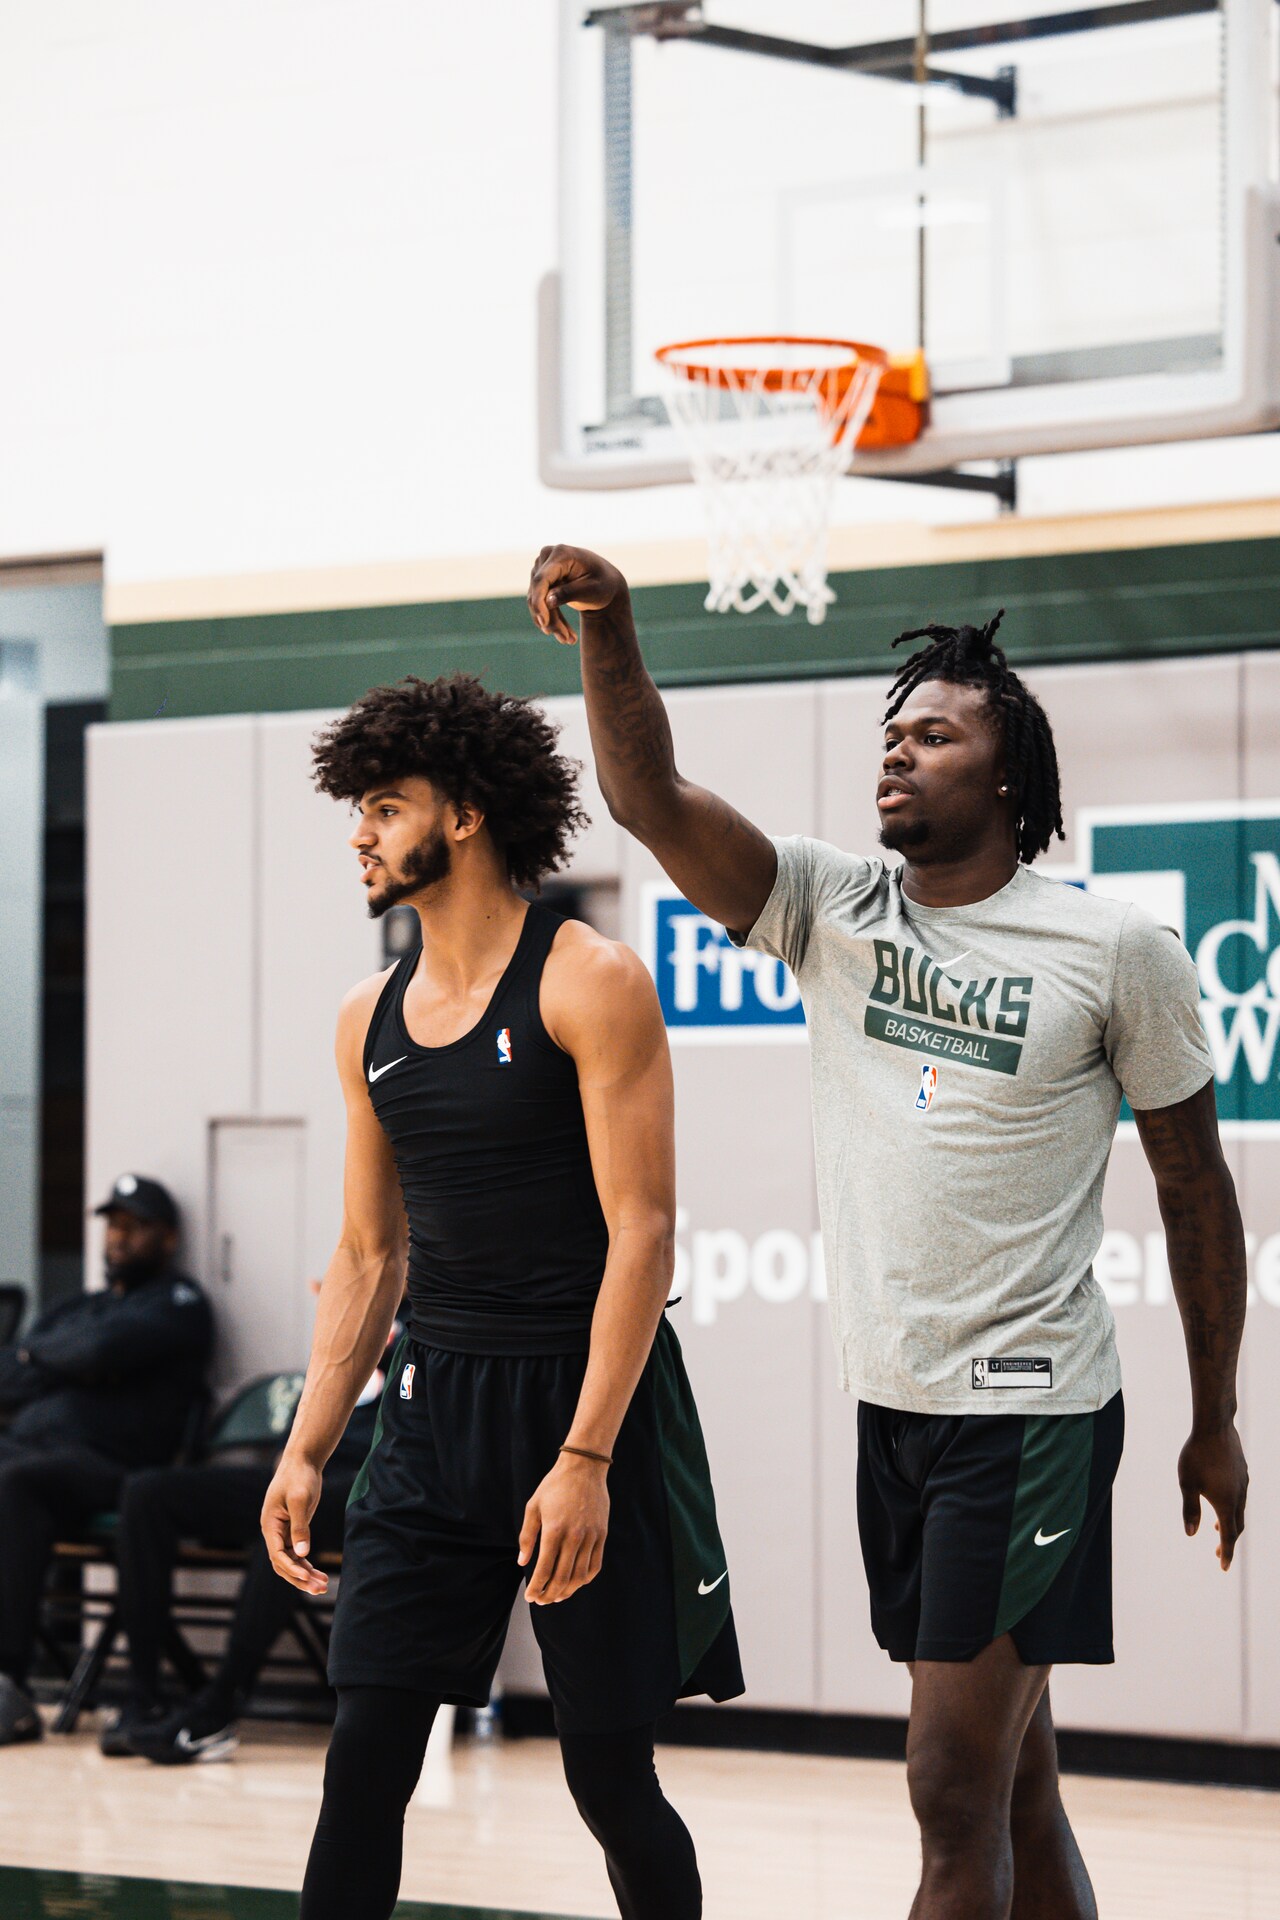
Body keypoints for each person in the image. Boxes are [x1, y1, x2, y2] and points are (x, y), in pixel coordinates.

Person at [526, 546, 1250, 1920]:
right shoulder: (830, 908)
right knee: (1016, 1788)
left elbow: (1199, 1199)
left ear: (1008, 779)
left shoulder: (1115, 955)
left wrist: (1213, 1416)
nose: (896, 758)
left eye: (934, 735)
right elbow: (644, 795)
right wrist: (612, 630)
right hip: (897, 1406)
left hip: (1030, 1415)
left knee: (947, 1790)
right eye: (890, 737)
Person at [260, 672, 742, 1920]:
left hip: (583, 1407)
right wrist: (309, 1447)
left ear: (462, 816)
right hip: (431, 1412)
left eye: (381, 805)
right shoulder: (366, 1019)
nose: (358, 834)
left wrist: (583, 1455)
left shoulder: (590, 980)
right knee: (363, 1758)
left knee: (607, 1779)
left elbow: (643, 1230)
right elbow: (370, 1253)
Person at [106, 1300, 403, 1764]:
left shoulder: (436, 1313)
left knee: (292, 1516)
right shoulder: (358, 1304)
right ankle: (143, 1694)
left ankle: (219, 1704)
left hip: (375, 1483)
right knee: (148, 1492)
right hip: (306, 1469)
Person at [0, 1174, 213, 1748]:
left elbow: (99, 1349)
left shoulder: (179, 1302)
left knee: (17, 1484)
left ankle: (7, 1680)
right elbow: (10, 1377)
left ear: (167, 1238)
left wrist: (51, 1355)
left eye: (134, 1227)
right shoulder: (80, 1306)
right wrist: (50, 1356)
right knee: (19, 1480)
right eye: (113, 1225)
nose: (118, 1238)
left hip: (113, 1472)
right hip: (36, 1462)